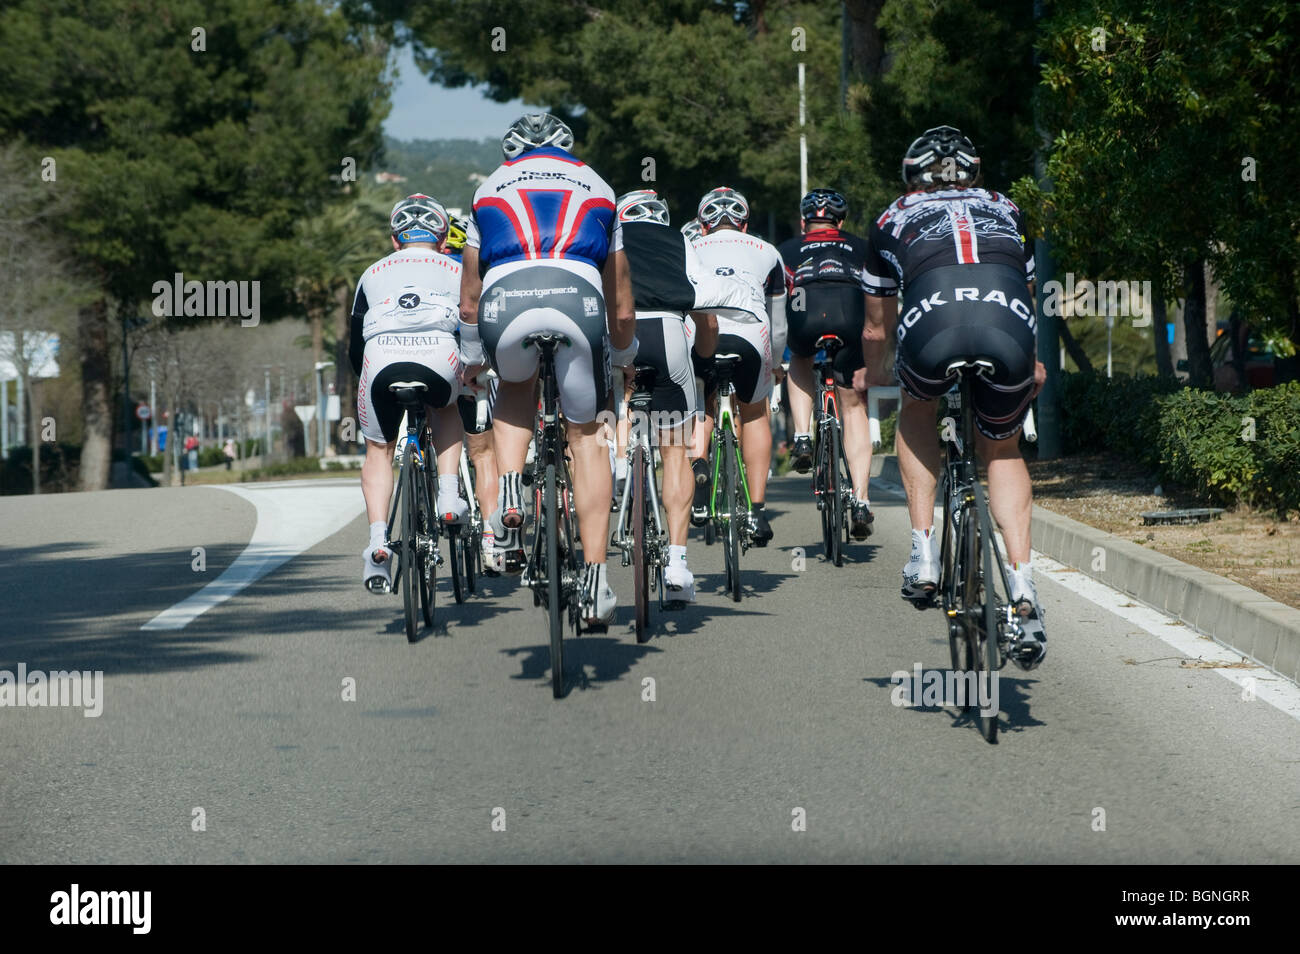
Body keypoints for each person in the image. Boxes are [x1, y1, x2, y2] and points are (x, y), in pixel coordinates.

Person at [853, 125, 1047, 669]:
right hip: (1005, 324)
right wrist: (1029, 364)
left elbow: (876, 328)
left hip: (933, 317)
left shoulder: (893, 217)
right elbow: (1025, 295)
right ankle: (1025, 593)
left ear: (912, 176)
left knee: (918, 406)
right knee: (1003, 448)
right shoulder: (1006, 207)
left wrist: (875, 377)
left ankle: (923, 555)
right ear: (975, 172)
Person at [458, 113, 636, 625]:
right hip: (577, 297)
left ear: (511, 151)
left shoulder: (488, 188)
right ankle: (599, 581)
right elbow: (621, 306)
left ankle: (511, 487)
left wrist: (473, 361)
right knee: (586, 439)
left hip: (506, 302)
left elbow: (469, 302)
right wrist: (622, 358)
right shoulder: (601, 187)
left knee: (515, 383)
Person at [612, 189, 756, 601]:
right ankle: (677, 565)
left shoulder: (610, 239)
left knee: (608, 414)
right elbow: (706, 313)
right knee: (674, 450)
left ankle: (619, 467)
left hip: (616, 332)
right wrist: (704, 362)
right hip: (666, 330)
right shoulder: (681, 241)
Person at [349, 193, 470, 593]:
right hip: (437, 358)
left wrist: (364, 383)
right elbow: (472, 321)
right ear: (441, 239)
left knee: (378, 451)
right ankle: (449, 497)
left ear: (395, 240)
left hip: (380, 362)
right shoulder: (454, 266)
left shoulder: (371, 272)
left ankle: (378, 540)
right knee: (448, 407)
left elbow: (354, 345)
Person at [689, 186, 788, 545]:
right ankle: (758, 512)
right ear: (745, 226)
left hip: (704, 333)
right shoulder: (768, 251)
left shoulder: (689, 247)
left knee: (701, 399)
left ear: (702, 226)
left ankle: (699, 463)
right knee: (755, 413)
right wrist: (775, 364)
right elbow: (779, 324)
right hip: (751, 333)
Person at [778, 188, 875, 539]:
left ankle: (803, 437)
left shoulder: (788, 248)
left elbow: (778, 296)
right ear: (842, 221)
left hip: (807, 314)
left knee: (800, 356)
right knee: (853, 408)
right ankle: (861, 500)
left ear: (805, 222)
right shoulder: (861, 245)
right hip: (850, 317)